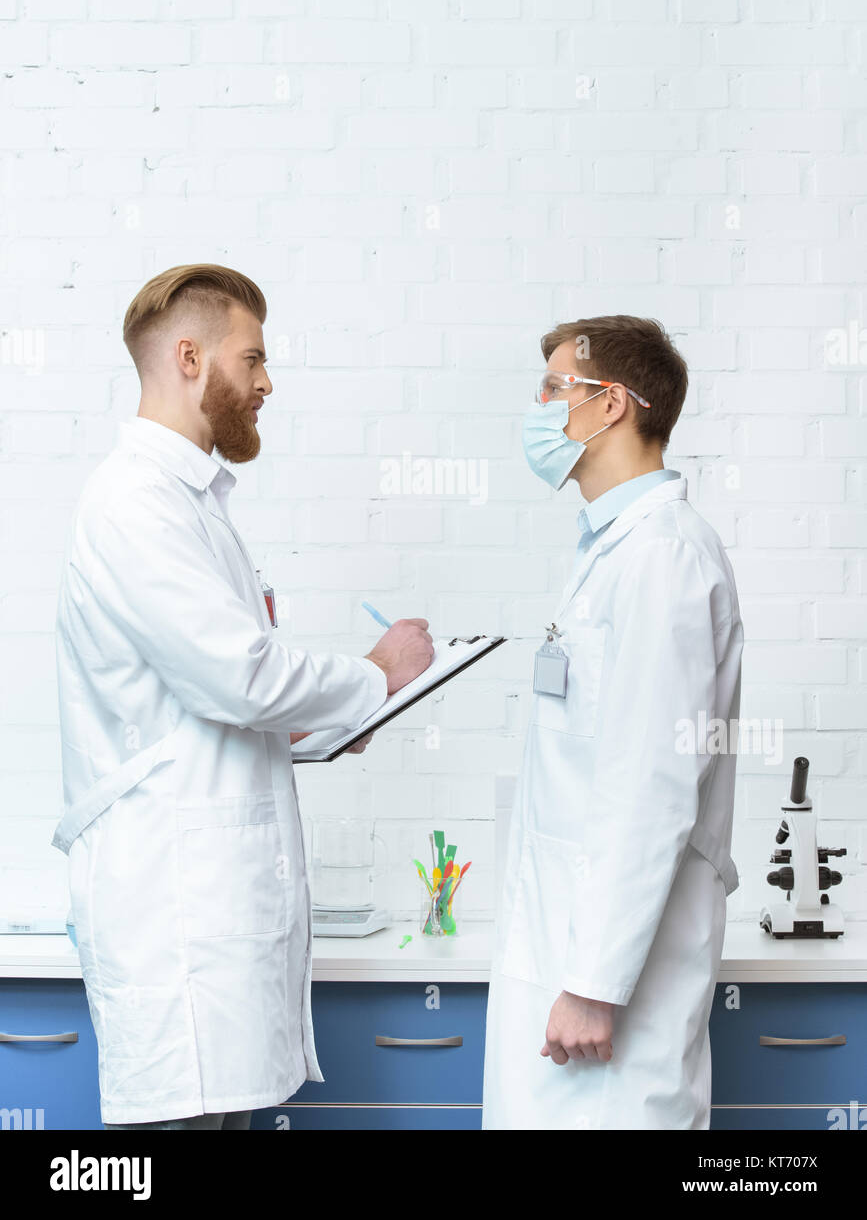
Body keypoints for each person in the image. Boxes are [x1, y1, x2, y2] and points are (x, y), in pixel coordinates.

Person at [52, 264, 433, 1130]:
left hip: (212, 927)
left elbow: (198, 707)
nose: (265, 384)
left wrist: (317, 727)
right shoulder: (133, 503)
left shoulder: (189, 502)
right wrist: (375, 673)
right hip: (175, 921)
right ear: (189, 357)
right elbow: (240, 676)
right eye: (252, 358)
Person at [482, 315, 743, 1130]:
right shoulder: (614, 551)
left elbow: (650, 788)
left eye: (555, 388)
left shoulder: (661, 558)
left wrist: (594, 984)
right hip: (566, 964)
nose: (540, 407)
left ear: (611, 406)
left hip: (606, 999)